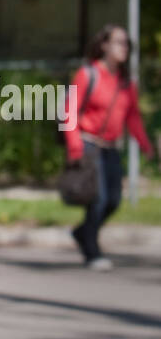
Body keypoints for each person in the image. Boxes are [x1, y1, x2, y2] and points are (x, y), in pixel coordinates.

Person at [63, 24, 155, 270]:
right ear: (104, 45)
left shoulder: (126, 83)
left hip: (111, 147)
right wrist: (74, 147)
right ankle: (92, 251)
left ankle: (83, 232)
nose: (124, 48)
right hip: (89, 144)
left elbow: (132, 116)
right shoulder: (88, 74)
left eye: (126, 43)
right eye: (118, 42)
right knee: (98, 199)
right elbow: (69, 111)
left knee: (114, 200)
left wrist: (145, 144)